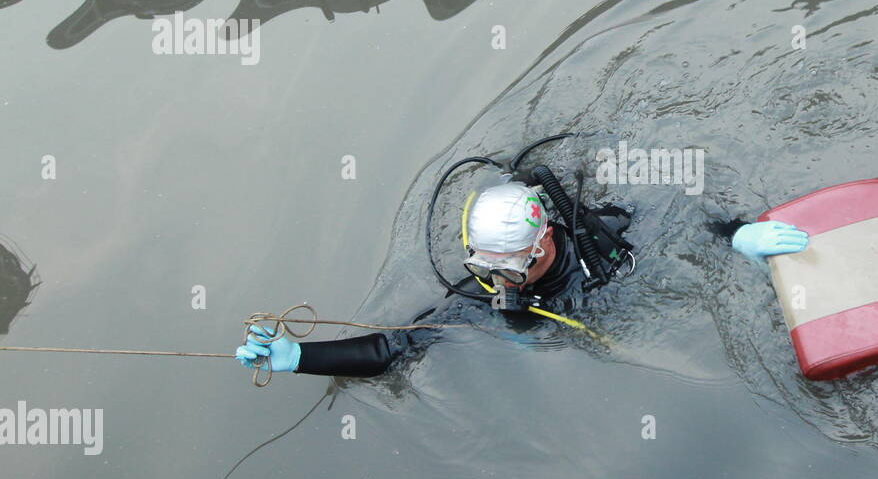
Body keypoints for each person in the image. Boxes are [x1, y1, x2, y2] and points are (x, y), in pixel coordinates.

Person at [235, 159, 808, 379]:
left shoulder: (598, 234)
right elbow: (394, 349)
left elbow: (678, 209)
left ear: (542, 245)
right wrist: (301, 357)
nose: (492, 280)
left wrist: (734, 233)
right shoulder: (480, 296)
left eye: (502, 266)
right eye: (480, 264)